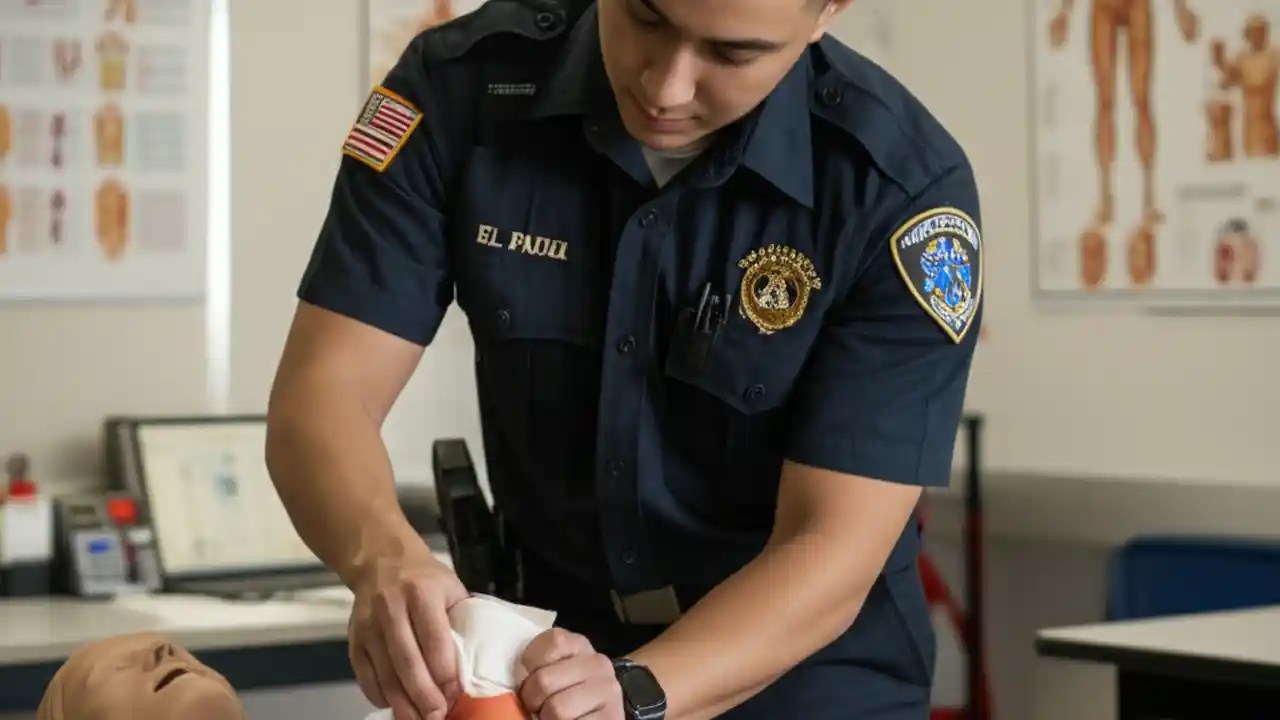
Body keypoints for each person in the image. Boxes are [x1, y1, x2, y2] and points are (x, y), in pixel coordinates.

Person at [265, 0, 984, 719]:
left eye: (731, 54)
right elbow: (325, 396)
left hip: (800, 677)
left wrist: (637, 690)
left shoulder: (898, 189)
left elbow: (831, 545)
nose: (666, 87)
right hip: (545, 653)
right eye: (645, 17)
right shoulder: (461, 88)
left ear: (829, 9)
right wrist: (384, 559)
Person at [1212, 14, 1280, 160]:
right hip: (1248, 126)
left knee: (1266, 159)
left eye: (1260, 31)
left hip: (1266, 124)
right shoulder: (1242, 57)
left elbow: (1260, 80)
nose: (1257, 35)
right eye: (1253, 32)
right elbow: (1227, 81)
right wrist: (1219, 60)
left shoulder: (1273, 55)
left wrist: (1239, 78)